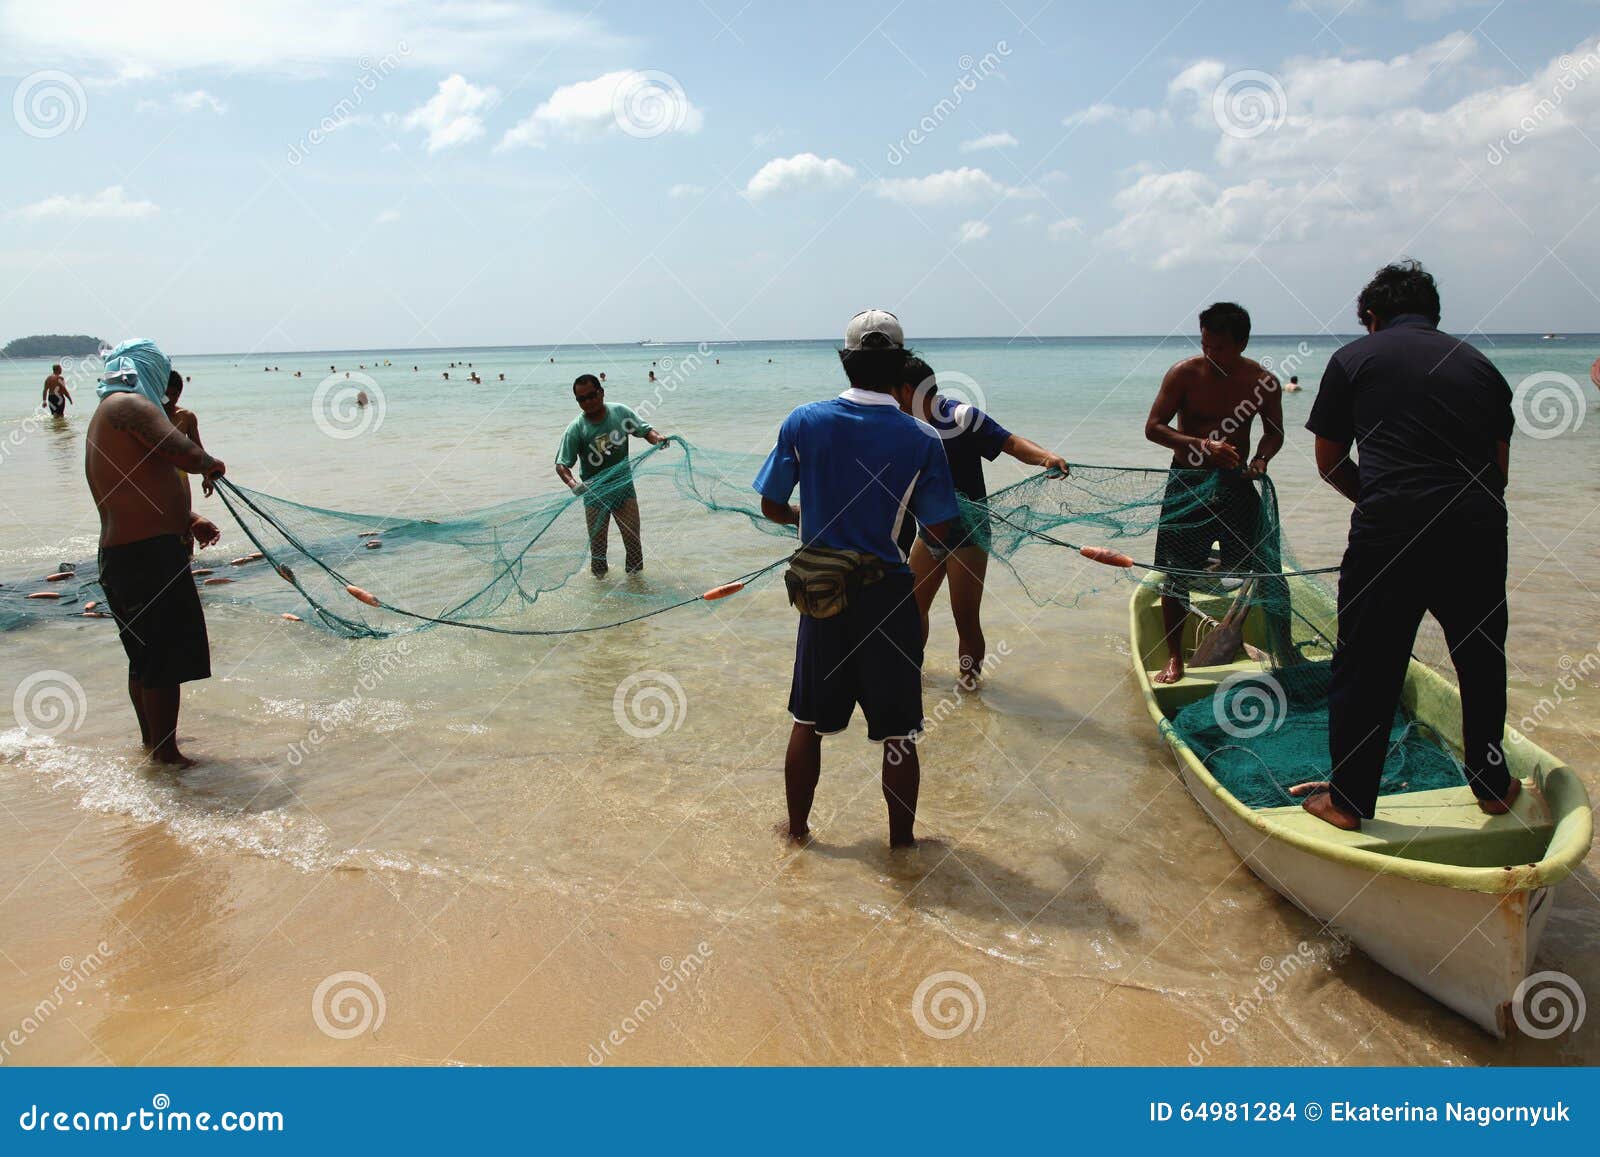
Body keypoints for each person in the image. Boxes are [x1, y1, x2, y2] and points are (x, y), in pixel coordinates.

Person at [1292, 261, 1518, 831]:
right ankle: (1493, 787)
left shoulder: (1352, 359)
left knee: (1367, 663)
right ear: (1433, 315)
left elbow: (1329, 460)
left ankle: (1347, 802)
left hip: (1390, 529)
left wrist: (1381, 500)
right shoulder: (1481, 365)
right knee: (1481, 659)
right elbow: (1499, 469)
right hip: (1478, 526)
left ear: (1372, 317)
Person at [755, 310, 959, 849]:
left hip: (822, 593)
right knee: (900, 733)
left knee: (807, 720)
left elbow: (772, 505)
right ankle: (902, 845)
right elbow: (940, 525)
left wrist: (810, 516)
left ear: (846, 361)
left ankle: (797, 832)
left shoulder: (803, 421)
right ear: (900, 365)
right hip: (889, 597)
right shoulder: (921, 438)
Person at [86, 339, 226, 767]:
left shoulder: (114, 413)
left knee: (146, 658)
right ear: (147, 370)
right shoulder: (126, 405)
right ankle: (166, 754)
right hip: (146, 558)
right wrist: (211, 463)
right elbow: (181, 452)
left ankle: (153, 745)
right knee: (163, 657)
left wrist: (189, 517)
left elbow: (137, 488)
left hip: (131, 555)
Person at [897, 356, 1068, 684]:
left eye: (892, 394)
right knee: (910, 610)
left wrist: (1046, 457)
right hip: (930, 532)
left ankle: (969, 688)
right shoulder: (905, 427)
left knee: (965, 619)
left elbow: (1011, 443)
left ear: (907, 391)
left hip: (968, 533)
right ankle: (908, 680)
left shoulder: (960, 417)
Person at [1144, 302, 1285, 684]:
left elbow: (1274, 432)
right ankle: (1175, 658)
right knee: (1174, 575)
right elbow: (1154, 428)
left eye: (1220, 347)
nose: (1211, 353)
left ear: (1241, 344)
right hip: (1188, 485)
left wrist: (1260, 459)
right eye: (1205, 344)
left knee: (1268, 569)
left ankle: (1285, 652)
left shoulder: (1263, 383)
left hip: (1237, 484)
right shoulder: (1184, 375)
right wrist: (1204, 446)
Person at [555, 374, 668, 576]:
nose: (588, 402)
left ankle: (637, 587)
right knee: (598, 549)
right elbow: (562, 465)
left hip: (624, 490)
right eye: (582, 399)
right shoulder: (576, 428)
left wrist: (658, 439)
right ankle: (601, 593)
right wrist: (573, 484)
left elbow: (646, 431)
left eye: (592, 395)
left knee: (633, 542)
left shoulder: (620, 412)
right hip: (595, 494)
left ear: (601, 392)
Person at [163, 371, 211, 555]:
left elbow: (198, 450)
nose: (170, 398)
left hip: (180, 474)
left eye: (174, 394)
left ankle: (188, 560)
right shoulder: (151, 416)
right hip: (157, 474)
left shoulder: (186, 417)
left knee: (185, 519)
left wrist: (207, 476)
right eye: (166, 394)